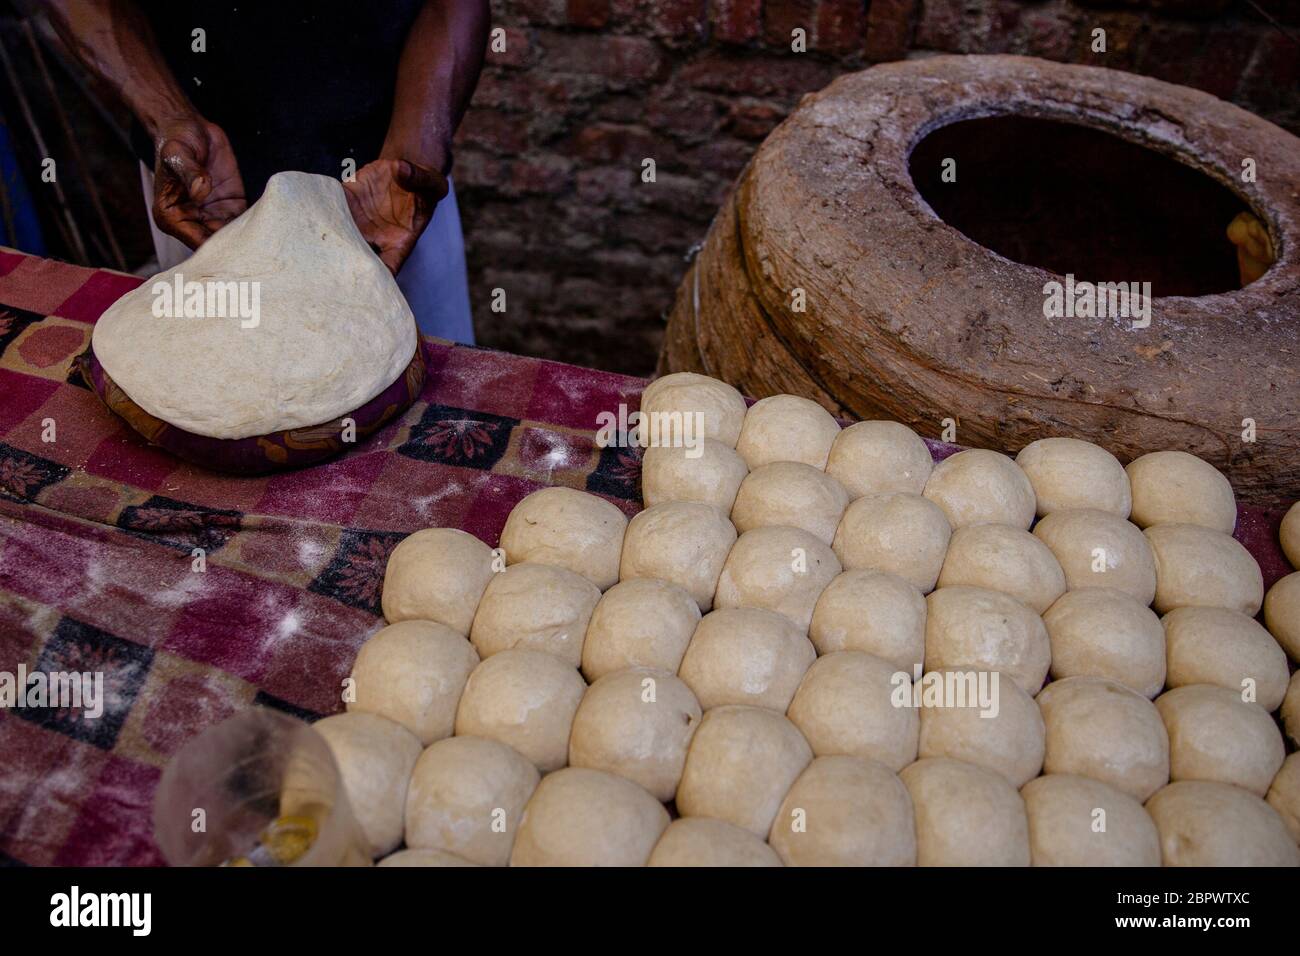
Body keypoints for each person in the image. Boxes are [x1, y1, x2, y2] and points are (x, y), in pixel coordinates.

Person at [46, 0, 488, 342]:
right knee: (218, 384)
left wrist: (416, 152)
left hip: (389, 197)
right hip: (204, 188)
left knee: (424, 405)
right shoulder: (204, 188)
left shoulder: (398, 191)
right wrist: (166, 117)